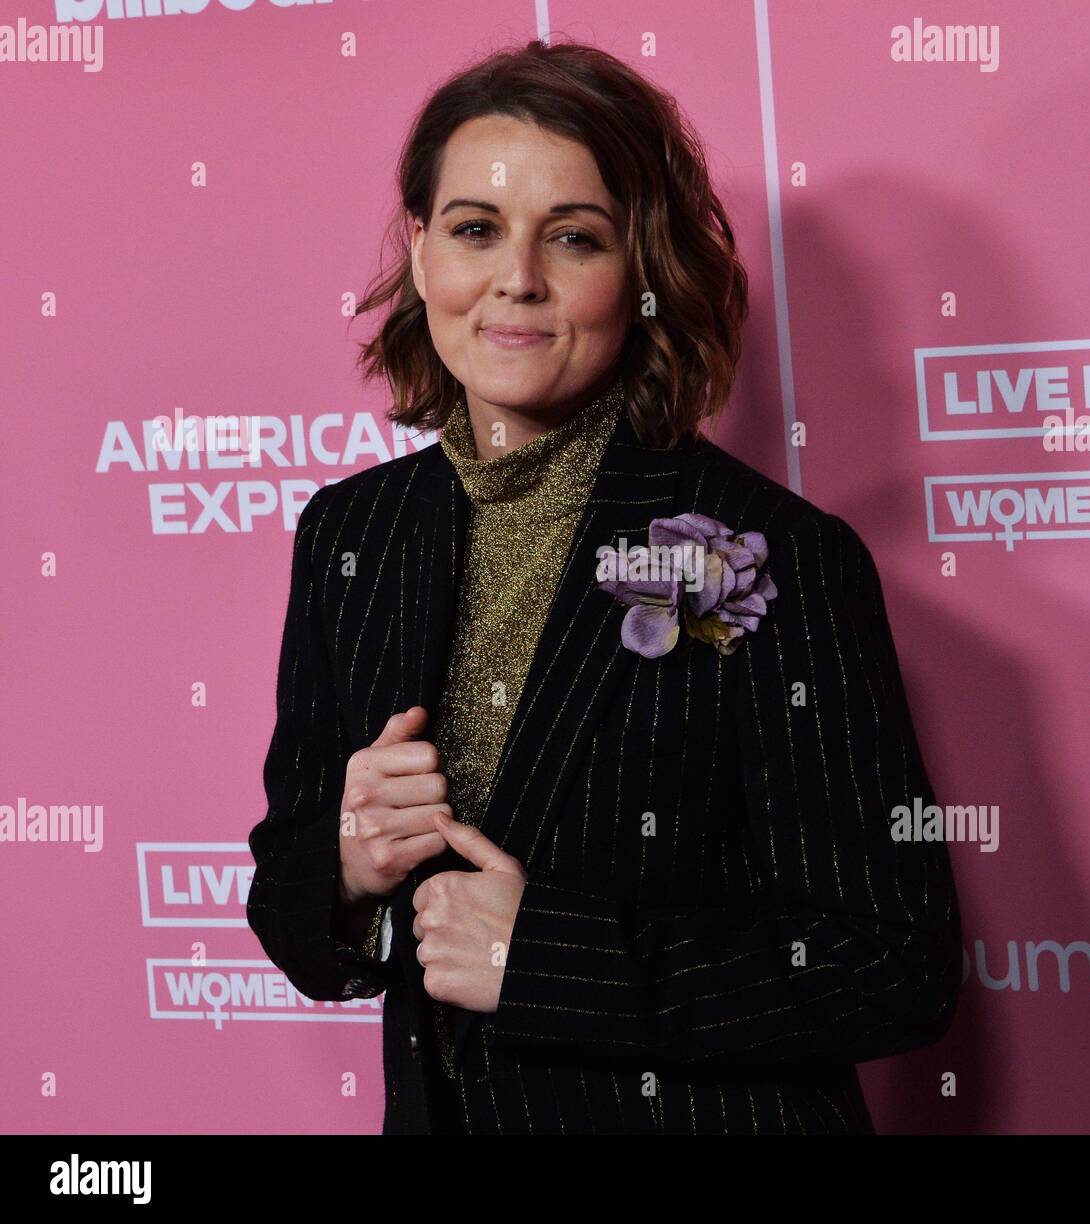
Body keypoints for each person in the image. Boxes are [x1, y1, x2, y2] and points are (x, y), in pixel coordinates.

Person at [246, 36, 962, 1135]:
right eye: (476, 229)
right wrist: (347, 870)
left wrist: (549, 961)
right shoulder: (354, 534)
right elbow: (293, 900)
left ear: (642, 276)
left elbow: (890, 962)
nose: (515, 278)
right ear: (425, 255)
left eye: (572, 237)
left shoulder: (758, 554)